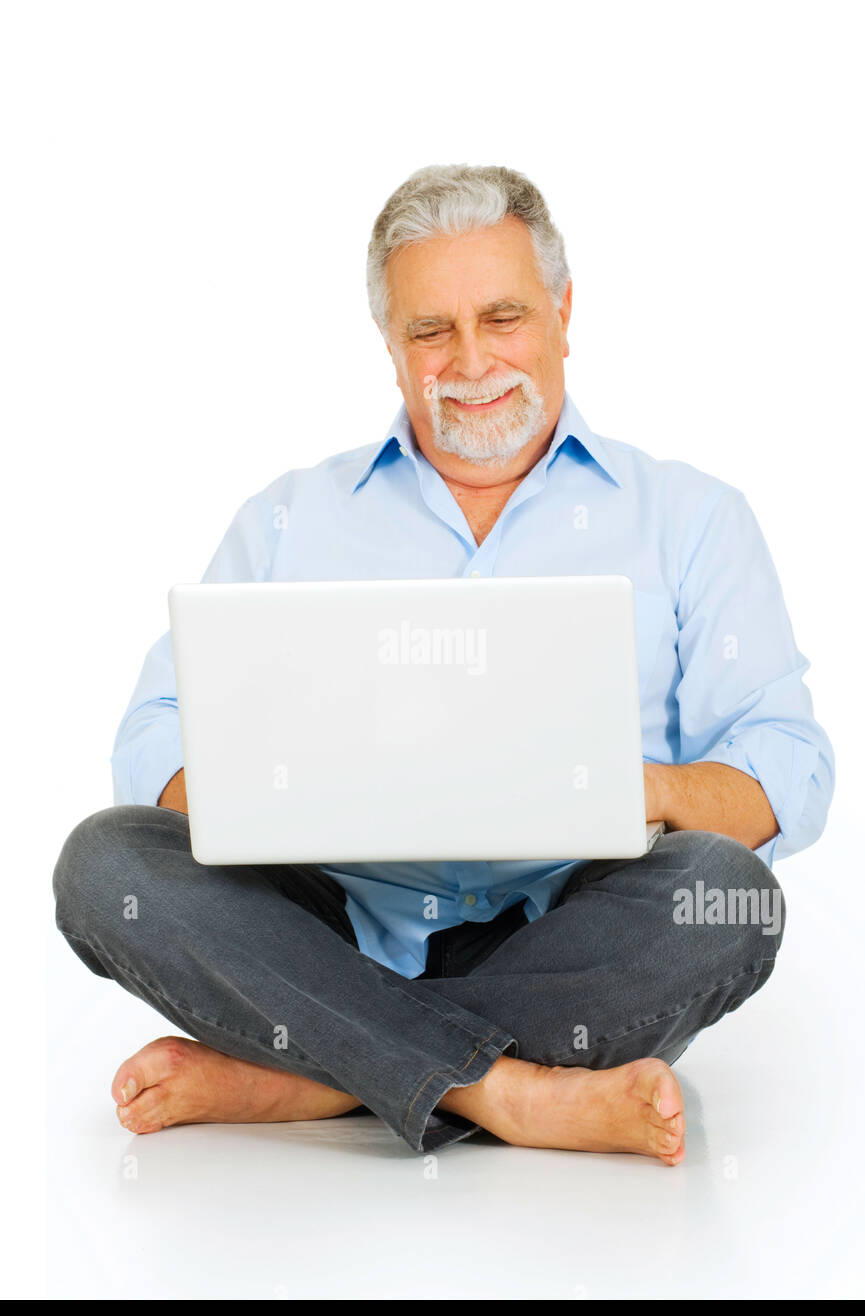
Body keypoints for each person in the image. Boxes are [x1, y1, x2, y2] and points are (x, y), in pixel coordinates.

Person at [53, 164, 833, 1163]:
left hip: (570, 925)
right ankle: (506, 1092)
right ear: (391, 348)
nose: (471, 361)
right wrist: (283, 795)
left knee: (728, 900)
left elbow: (789, 768)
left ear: (561, 312)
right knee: (104, 861)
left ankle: (313, 1074)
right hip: (329, 924)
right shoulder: (293, 518)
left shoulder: (690, 517)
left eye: (502, 317)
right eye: (431, 331)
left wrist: (635, 787)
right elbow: (156, 737)